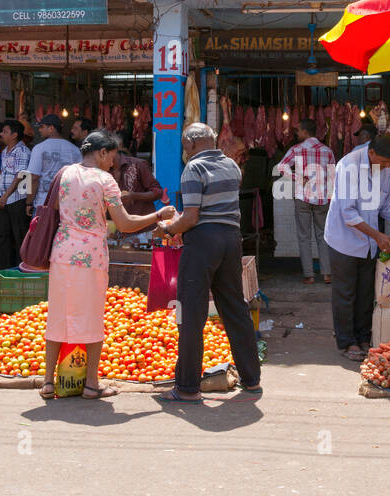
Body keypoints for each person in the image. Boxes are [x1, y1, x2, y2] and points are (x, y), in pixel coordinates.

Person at [40, 131, 174, 399]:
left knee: (57, 315)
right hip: (90, 257)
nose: (114, 163)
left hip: (62, 253)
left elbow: (54, 205)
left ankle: (47, 383)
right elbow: (124, 223)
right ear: (102, 152)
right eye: (112, 156)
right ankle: (92, 384)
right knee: (90, 318)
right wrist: (158, 215)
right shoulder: (105, 181)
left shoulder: (64, 174)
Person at [156, 123, 263, 403]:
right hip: (230, 239)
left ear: (190, 144)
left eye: (184, 145)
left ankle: (188, 387)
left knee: (191, 313)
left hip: (203, 240)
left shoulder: (193, 168)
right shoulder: (231, 165)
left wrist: (168, 228)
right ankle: (252, 379)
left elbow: (191, 217)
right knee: (235, 308)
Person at [323, 133, 390, 362]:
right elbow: (348, 214)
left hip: (368, 242)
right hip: (342, 240)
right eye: (384, 162)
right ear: (371, 153)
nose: (387, 167)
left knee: (366, 292)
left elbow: (387, 205)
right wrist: (378, 236)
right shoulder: (348, 166)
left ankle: (363, 336)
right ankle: (347, 342)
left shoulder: (386, 169)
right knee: (345, 293)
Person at [275, 118, 335, 285]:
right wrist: (330, 198)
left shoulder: (296, 149)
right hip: (322, 199)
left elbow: (281, 167)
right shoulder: (327, 151)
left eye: (299, 130)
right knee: (323, 235)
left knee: (304, 236)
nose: (297, 133)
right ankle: (327, 274)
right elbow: (332, 177)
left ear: (305, 132)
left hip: (303, 197)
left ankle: (308, 275)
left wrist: (297, 177)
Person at [0, 119, 32, 270]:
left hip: (17, 199)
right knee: (2, 236)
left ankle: (21, 270)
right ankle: (1, 271)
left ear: (14, 135)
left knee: (19, 237)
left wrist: (5, 197)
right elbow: (5, 173)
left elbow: (20, 176)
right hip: (3, 199)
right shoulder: (5, 151)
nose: (1, 134)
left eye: (5, 131)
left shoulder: (22, 151)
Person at [25, 114, 82, 212]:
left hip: (43, 203)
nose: (39, 130)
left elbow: (33, 178)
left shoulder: (39, 148)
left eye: (42, 127)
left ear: (51, 128)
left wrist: (29, 202)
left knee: (42, 228)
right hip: (68, 204)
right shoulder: (75, 149)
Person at [108, 146, 164, 218]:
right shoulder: (103, 171)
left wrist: (133, 196)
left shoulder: (138, 164)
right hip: (115, 225)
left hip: (143, 224)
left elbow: (158, 192)